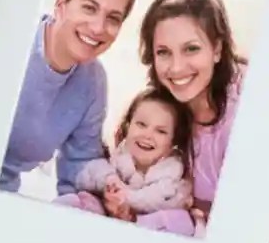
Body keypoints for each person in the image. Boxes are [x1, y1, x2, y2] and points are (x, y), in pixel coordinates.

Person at [112, 0, 247, 237]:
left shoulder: (244, 114)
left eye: (191, 49)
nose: (176, 68)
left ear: (217, 49)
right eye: (163, 52)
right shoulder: (161, 112)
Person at [0, 0, 137, 197]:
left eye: (113, 18)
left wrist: (110, 184)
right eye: (89, 8)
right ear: (60, 5)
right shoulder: (10, 37)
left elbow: (80, 159)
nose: (98, 27)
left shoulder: (93, 81)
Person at [57, 86, 194, 219]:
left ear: (173, 142)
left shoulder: (172, 173)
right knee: (81, 201)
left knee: (177, 221)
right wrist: (109, 186)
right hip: (109, 211)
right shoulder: (120, 156)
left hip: (145, 223)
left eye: (161, 131)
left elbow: (156, 200)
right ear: (128, 125)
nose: (148, 135)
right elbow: (91, 173)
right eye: (141, 124)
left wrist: (126, 197)